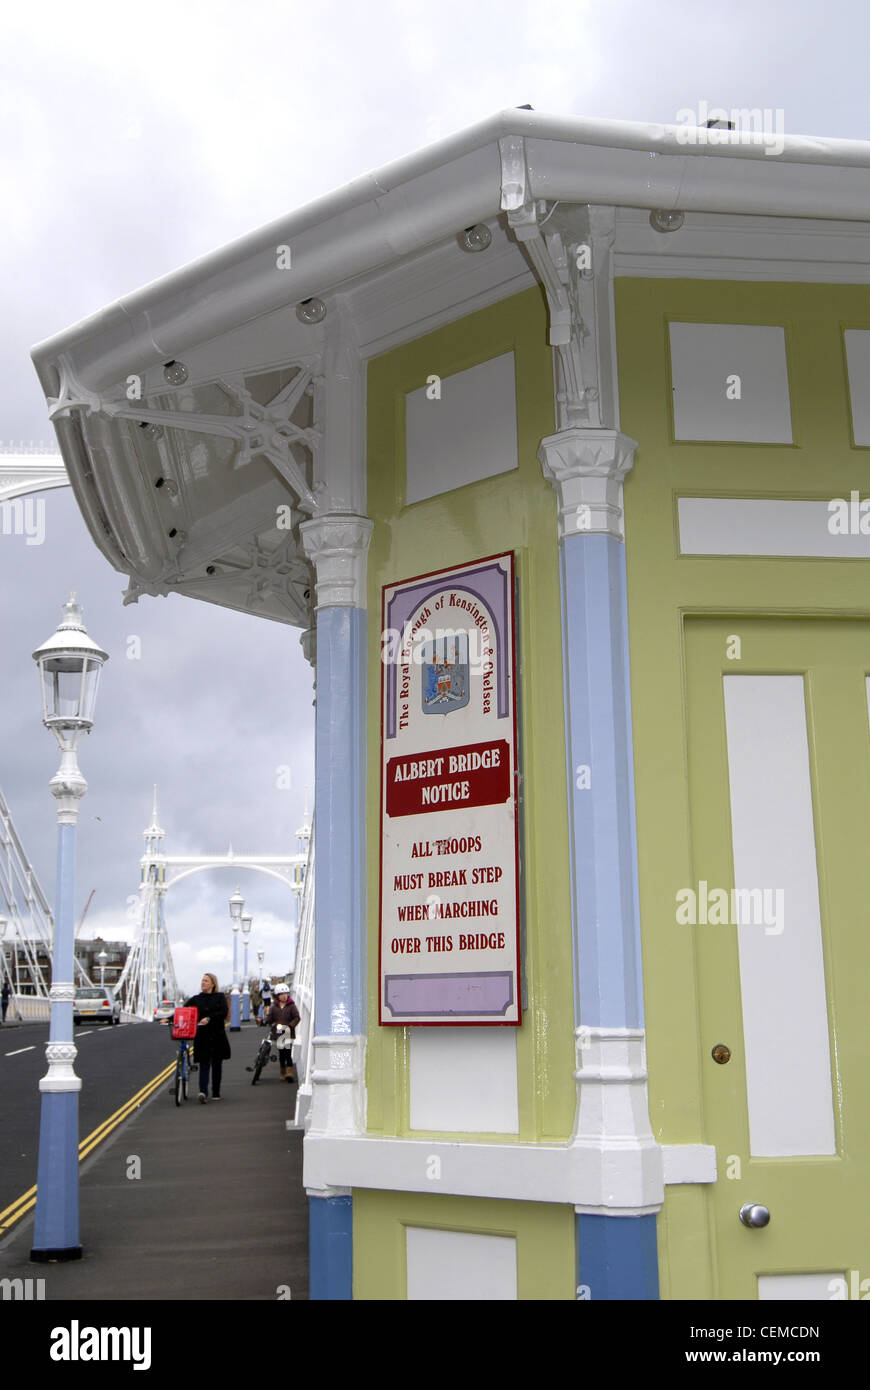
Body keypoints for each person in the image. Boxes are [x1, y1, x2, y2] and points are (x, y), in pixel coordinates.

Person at [184, 972, 231, 1102]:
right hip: (203, 1036)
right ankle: (203, 1092)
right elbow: (184, 1011)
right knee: (204, 1064)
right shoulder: (196, 999)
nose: (203, 983)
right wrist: (170, 1018)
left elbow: (223, 1012)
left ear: (212, 984)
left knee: (217, 1064)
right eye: (202, 980)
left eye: (206, 981)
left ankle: (216, 1092)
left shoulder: (220, 997)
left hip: (217, 1035)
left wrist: (210, 1018)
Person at [266, 984, 300, 1082]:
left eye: (286, 994)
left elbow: (297, 1017)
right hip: (279, 1033)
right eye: (281, 994)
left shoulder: (292, 1006)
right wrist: (264, 1021)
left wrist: (290, 1026)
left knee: (288, 1053)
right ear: (277, 996)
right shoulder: (274, 1007)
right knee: (282, 1054)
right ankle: (283, 1071)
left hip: (288, 1032)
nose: (284, 996)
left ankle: (289, 1073)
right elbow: (270, 1018)